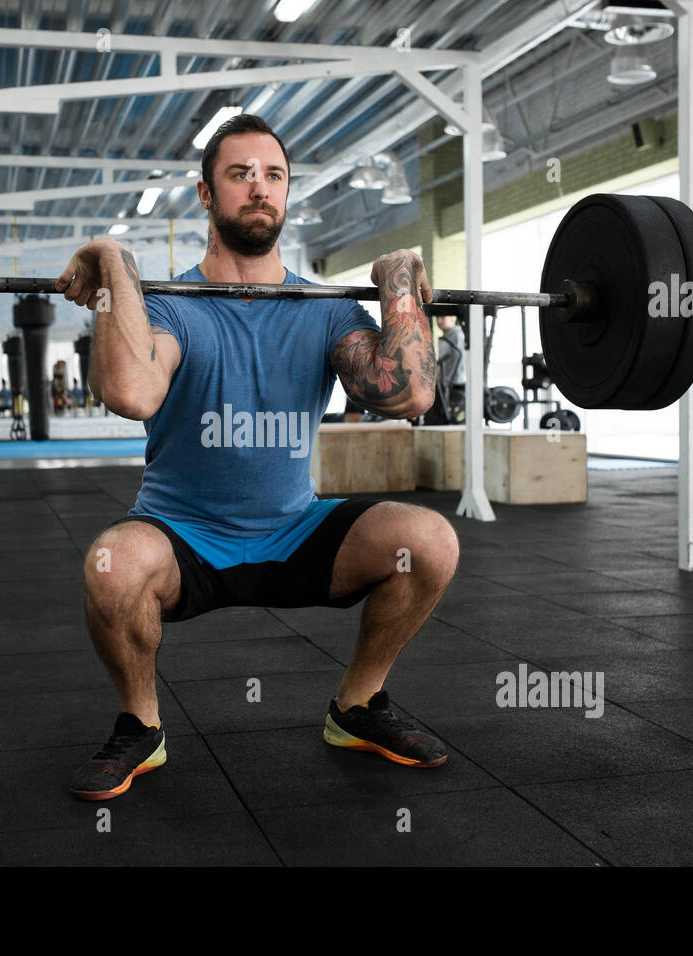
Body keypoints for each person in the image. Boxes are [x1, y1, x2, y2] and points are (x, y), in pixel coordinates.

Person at [55, 113, 460, 801]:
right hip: (184, 537)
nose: (258, 188)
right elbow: (131, 390)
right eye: (239, 174)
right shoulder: (176, 307)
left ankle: (357, 707)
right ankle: (142, 725)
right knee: (112, 565)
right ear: (207, 196)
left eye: (273, 175)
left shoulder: (324, 310)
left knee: (429, 539)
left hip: (293, 531)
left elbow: (411, 393)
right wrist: (114, 265)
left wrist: (396, 277)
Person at [435, 313, 467, 424]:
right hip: (445, 385)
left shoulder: (458, 336)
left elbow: (460, 362)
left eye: (443, 316)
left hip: (455, 385)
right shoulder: (445, 337)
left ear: (451, 318)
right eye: (438, 317)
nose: (439, 321)